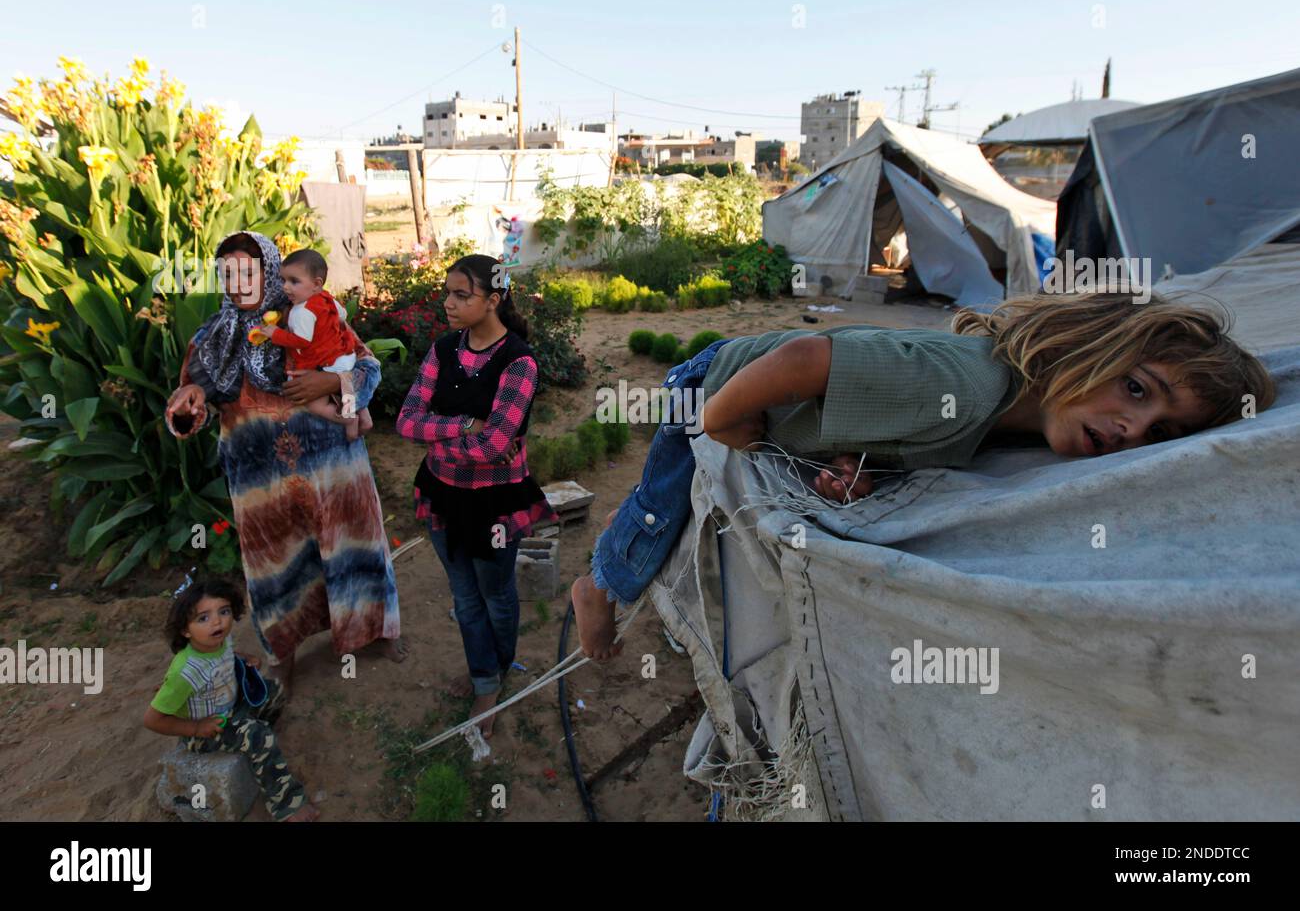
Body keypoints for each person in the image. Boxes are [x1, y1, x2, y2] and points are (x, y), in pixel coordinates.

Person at [571, 291, 1277, 659]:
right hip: (716, 380)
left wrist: (857, 468)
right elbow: (805, 360)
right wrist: (724, 420)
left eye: (1163, 433)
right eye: (1136, 389)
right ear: (1089, 346)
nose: (1134, 429)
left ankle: (622, 531)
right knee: (661, 510)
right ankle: (597, 588)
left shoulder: (999, 412)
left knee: (654, 504)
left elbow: (886, 421)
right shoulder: (968, 390)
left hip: (772, 405)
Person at [165, 231, 405, 693]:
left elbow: (368, 366)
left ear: (270, 272)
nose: (237, 283)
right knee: (273, 568)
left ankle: (375, 632)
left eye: (248, 272)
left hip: (335, 471)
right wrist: (187, 403)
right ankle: (283, 655)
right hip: (261, 483)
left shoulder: (313, 314)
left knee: (355, 548)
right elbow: (189, 405)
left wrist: (327, 384)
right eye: (228, 273)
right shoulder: (212, 338)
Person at [395, 254, 557, 737]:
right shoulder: (444, 350)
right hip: (441, 497)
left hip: (494, 504)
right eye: (447, 292)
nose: (448, 303)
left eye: (461, 294)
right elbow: (406, 421)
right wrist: (465, 423)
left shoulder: (519, 361)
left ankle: (497, 672)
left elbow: (495, 447)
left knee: (497, 595)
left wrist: (443, 436)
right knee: (465, 597)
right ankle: (484, 678)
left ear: (494, 299)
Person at [143, 576, 319, 822]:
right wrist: (196, 728)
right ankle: (287, 805)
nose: (217, 621)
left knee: (274, 692)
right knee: (257, 736)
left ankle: (259, 744)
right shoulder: (186, 671)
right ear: (185, 629)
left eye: (223, 612)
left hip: (233, 706)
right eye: (203, 618)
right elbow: (152, 719)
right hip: (208, 728)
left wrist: (243, 658)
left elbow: (226, 653)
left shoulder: (218, 639)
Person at [249, 248, 373, 441]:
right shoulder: (326, 298)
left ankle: (348, 419)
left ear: (316, 284)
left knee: (316, 404)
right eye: (283, 281)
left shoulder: (301, 312)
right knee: (346, 386)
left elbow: (301, 341)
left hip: (328, 362)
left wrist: (276, 334)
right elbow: (341, 315)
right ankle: (359, 413)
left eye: (294, 281)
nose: (285, 287)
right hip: (344, 354)